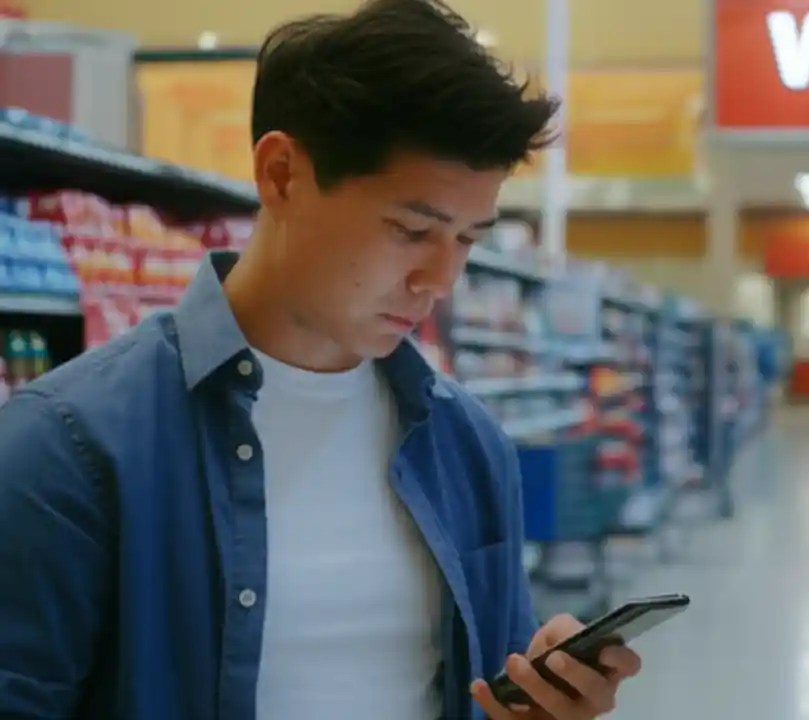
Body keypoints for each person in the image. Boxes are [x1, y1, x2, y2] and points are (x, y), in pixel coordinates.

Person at [0, 1, 641, 719]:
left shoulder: (468, 447)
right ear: (280, 175)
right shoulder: (70, 451)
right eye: (409, 229)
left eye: (467, 240)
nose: (440, 280)